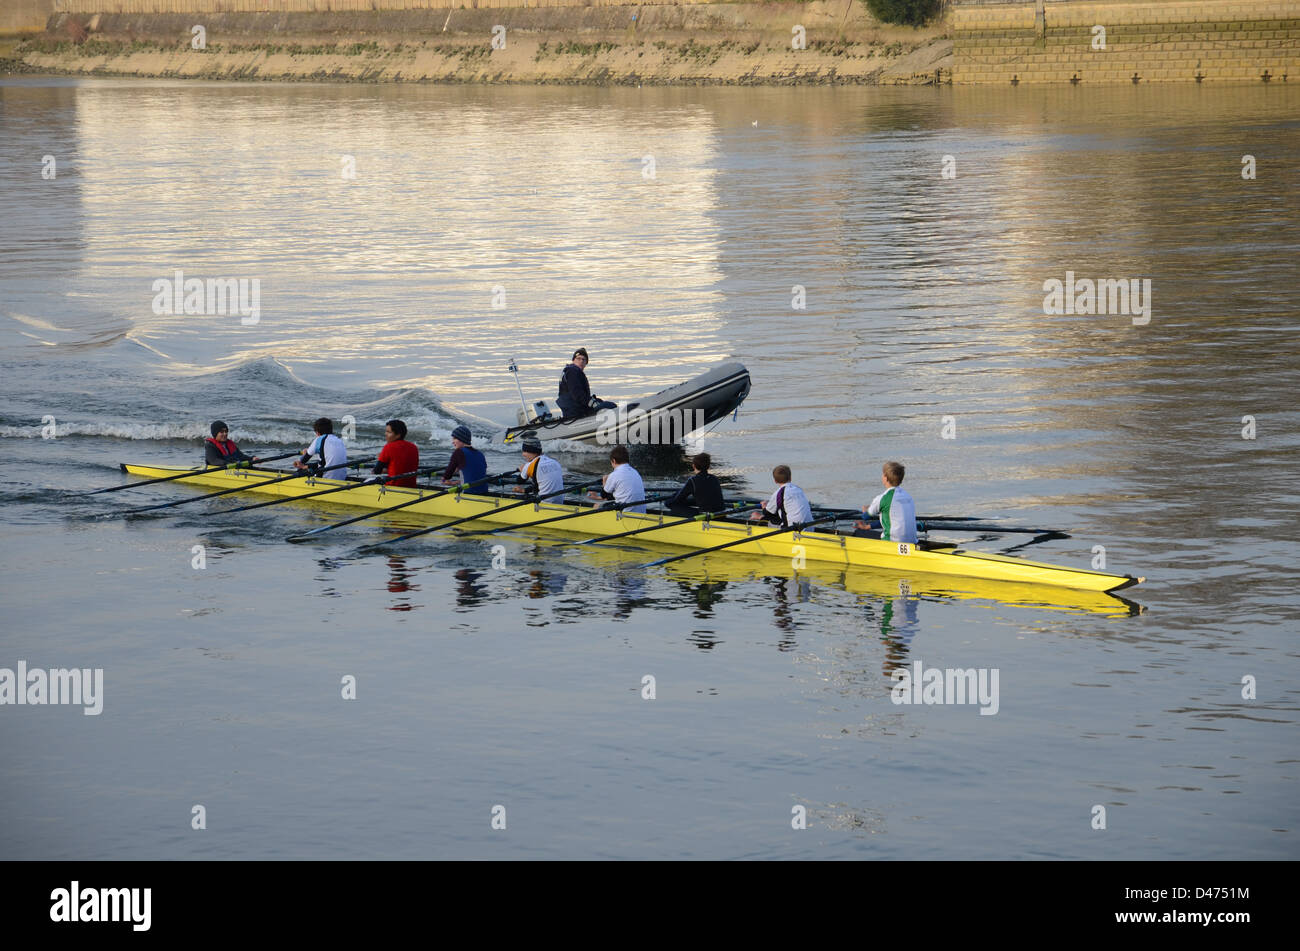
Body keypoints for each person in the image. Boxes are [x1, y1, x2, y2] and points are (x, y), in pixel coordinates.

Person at [855, 461, 918, 544]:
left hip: (892, 543)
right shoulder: (908, 497)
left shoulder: (882, 498)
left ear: (886, 478)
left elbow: (865, 516)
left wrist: (865, 510)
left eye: (883, 474)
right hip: (913, 542)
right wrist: (868, 526)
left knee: (858, 533)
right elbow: (892, 521)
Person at [556, 348, 616, 420]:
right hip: (576, 410)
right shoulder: (572, 371)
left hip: (574, 409)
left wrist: (594, 401)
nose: (581, 361)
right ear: (573, 360)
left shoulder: (571, 371)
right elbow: (577, 393)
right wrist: (592, 402)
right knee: (610, 405)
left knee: (603, 403)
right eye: (578, 358)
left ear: (586, 363)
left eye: (583, 359)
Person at [589, 445, 646, 513]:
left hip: (625, 513)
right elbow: (619, 494)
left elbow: (604, 495)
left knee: (597, 505)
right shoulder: (635, 472)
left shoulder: (614, 474)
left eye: (611, 462)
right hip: (641, 512)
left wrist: (604, 481)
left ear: (614, 461)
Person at [667, 452, 724, 517]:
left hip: (706, 516)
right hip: (720, 514)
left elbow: (677, 500)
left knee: (672, 505)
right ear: (708, 466)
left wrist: (671, 498)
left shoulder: (693, 480)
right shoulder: (714, 478)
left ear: (693, 466)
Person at [442, 425, 489, 494]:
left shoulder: (459, 452)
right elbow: (475, 470)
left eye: (455, 438)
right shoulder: (480, 453)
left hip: (468, 494)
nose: (453, 442)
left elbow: (447, 474)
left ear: (461, 439)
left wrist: (445, 480)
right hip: (485, 492)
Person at [373, 419, 420, 488]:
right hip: (411, 486)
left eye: (389, 432)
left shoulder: (388, 447)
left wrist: (380, 458)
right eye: (386, 431)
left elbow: (376, 471)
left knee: (368, 481)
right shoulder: (413, 447)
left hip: (393, 487)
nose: (385, 434)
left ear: (398, 435)